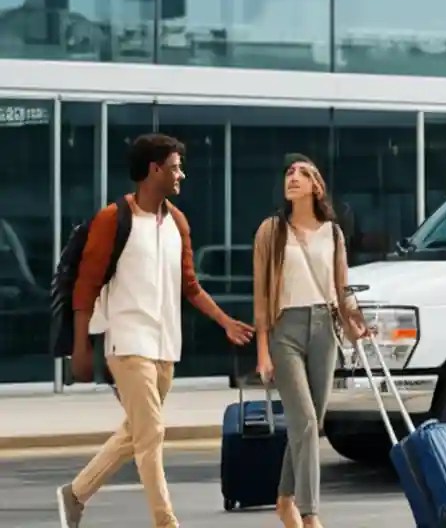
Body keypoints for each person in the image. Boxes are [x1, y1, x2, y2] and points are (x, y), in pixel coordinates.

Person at [57, 133, 255, 528]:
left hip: (165, 344)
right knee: (152, 435)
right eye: (176, 166)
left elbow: (190, 286)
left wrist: (224, 321)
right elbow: (87, 286)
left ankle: (75, 493)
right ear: (154, 170)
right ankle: (166, 522)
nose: (181, 174)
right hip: (126, 342)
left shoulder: (177, 222)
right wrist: (80, 346)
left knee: (137, 432)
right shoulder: (113, 219)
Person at [253, 154, 371, 528]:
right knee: (302, 420)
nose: (293, 178)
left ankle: (285, 498)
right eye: (289, 173)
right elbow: (260, 297)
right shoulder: (271, 231)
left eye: (302, 174)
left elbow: (341, 287)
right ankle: (311, 515)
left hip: (325, 328)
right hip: (284, 330)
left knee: (310, 424)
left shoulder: (333, 233)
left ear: (316, 186)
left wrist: (356, 322)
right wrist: (262, 351)